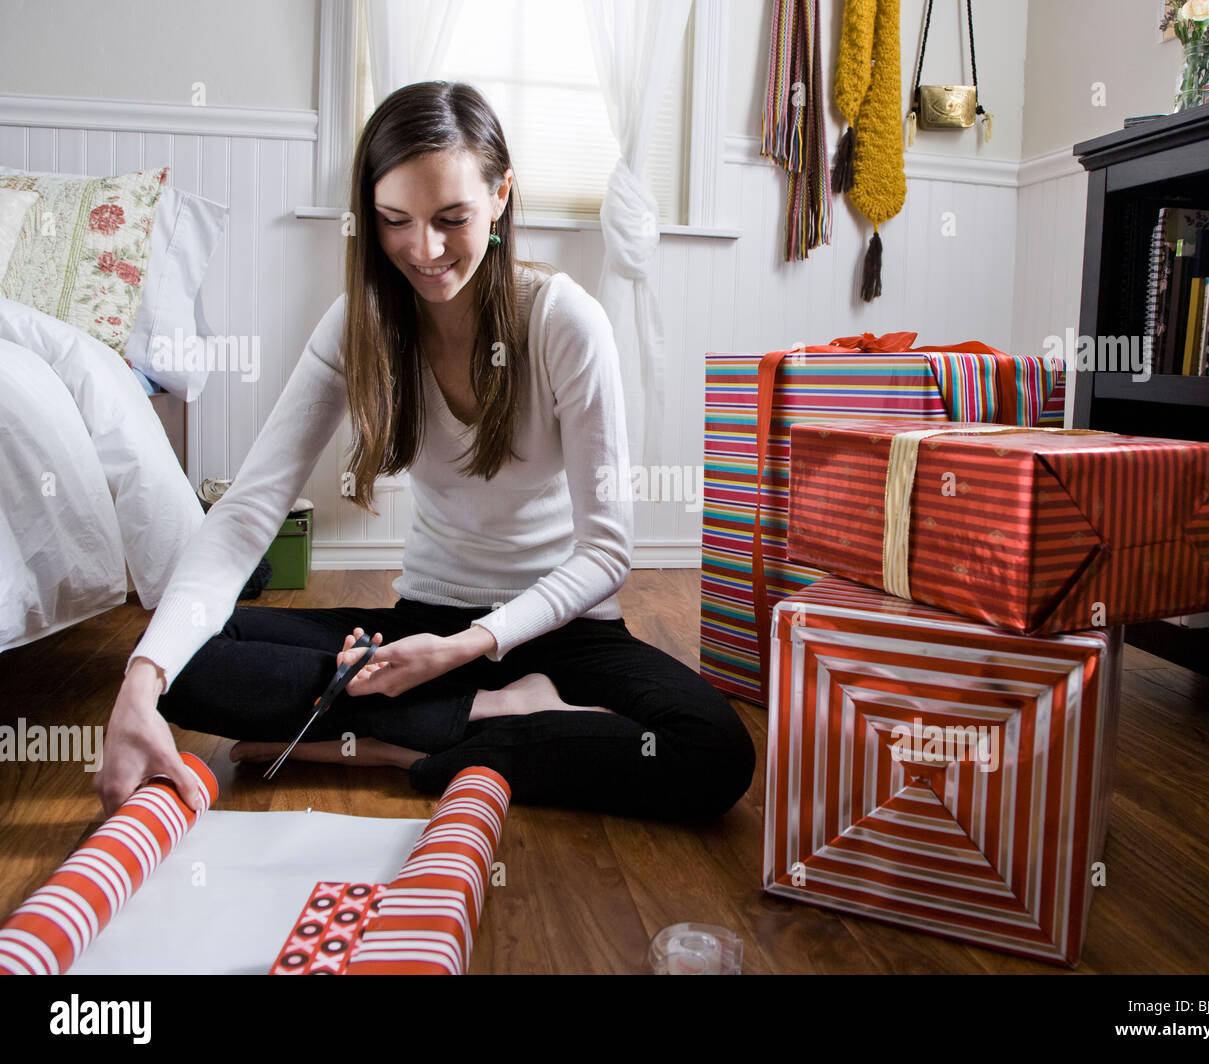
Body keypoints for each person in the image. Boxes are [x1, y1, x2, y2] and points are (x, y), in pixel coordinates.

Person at [95, 81, 754, 821]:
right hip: (424, 622)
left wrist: (469, 648)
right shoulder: (358, 324)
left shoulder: (567, 321)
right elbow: (248, 512)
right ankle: (485, 718)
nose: (425, 250)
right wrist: (141, 678)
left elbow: (606, 553)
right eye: (394, 221)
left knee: (711, 752)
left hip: (563, 632)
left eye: (451, 219)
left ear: (502, 196)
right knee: (182, 659)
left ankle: (405, 744)